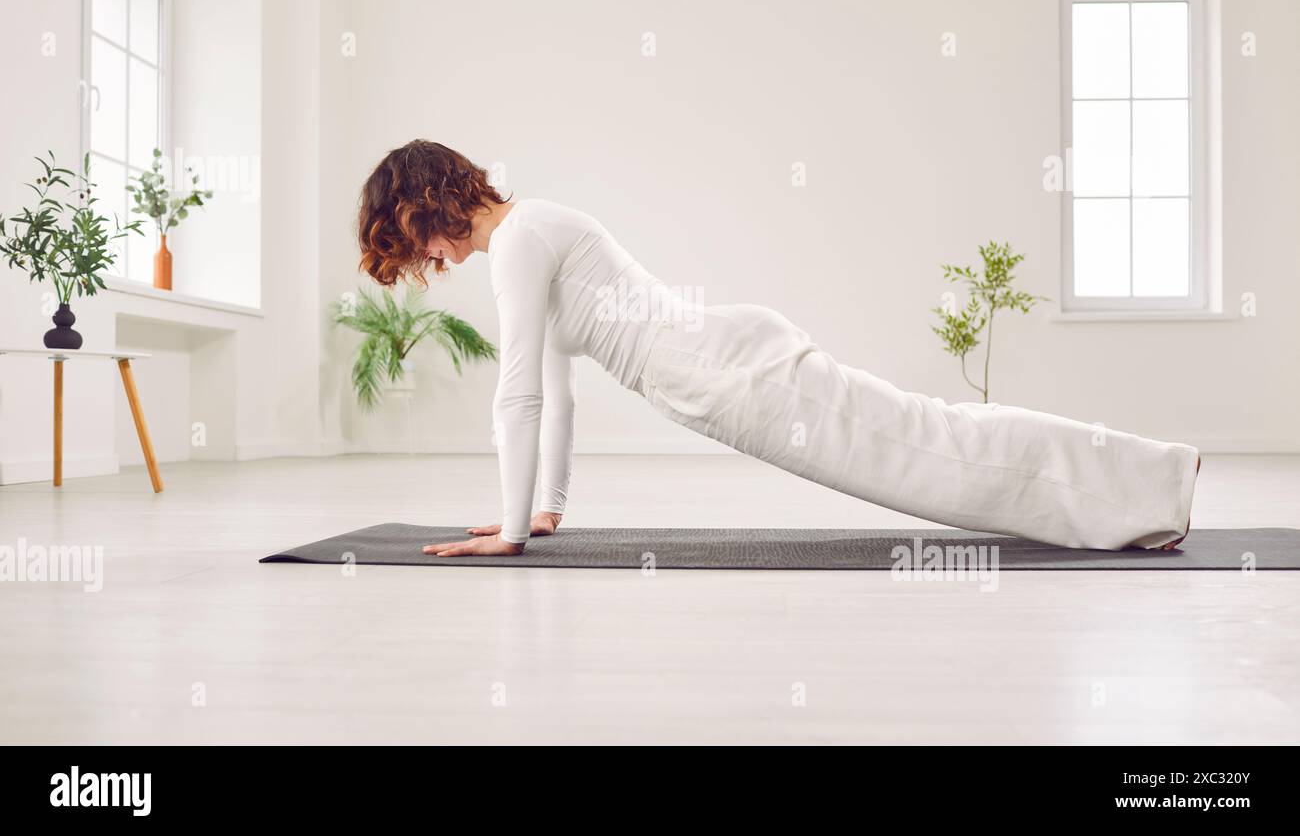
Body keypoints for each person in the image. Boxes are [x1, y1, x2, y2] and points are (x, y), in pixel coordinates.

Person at [355, 140, 1199, 558]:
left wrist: (506, 533)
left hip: (732, 376)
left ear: (434, 198)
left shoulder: (518, 241)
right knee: (931, 446)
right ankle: (1147, 487)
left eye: (413, 240)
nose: (429, 262)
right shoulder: (530, 233)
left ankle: (1153, 485)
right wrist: (545, 510)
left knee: (933, 453)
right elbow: (553, 385)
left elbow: (517, 396)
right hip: (724, 372)